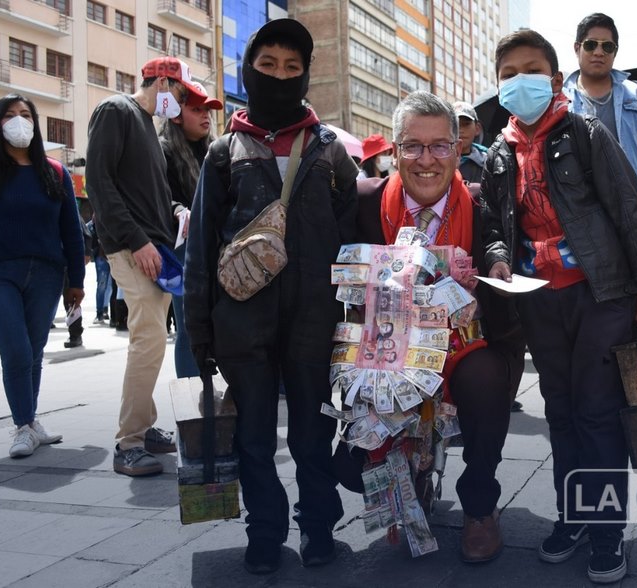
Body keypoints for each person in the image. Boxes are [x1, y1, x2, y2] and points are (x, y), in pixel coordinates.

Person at [482, 30, 637, 584]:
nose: (519, 81)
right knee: (559, 412)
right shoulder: (497, 154)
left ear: (555, 79)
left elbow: (629, 209)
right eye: (508, 73)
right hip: (538, 300)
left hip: (600, 292)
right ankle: (574, 516)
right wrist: (495, 258)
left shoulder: (586, 134)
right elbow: (495, 225)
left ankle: (606, 531)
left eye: (530, 69)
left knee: (596, 411)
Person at [183, 18, 359, 574]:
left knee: (312, 433)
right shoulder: (222, 152)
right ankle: (264, 531)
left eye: (292, 67)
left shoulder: (331, 152)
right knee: (254, 437)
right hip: (242, 323)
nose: (280, 76)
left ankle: (317, 528)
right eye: (268, 65)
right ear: (248, 70)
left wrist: (354, 319)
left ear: (306, 74)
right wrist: (199, 330)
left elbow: (352, 242)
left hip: (316, 321)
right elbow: (202, 248)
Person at [344, 91, 524, 563]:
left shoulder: (482, 204)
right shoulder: (363, 202)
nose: (427, 160)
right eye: (413, 146)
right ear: (395, 151)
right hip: (388, 347)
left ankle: (480, 507)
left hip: (460, 344)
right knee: (344, 457)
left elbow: (497, 246)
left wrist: (497, 266)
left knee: (487, 380)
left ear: (458, 150)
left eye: (440, 145)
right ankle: (408, 479)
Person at [86, 56, 204, 476]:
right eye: (180, 92)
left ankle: (145, 425)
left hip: (153, 246)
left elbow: (147, 192)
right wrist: (137, 241)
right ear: (161, 82)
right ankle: (129, 442)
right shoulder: (116, 111)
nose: (182, 101)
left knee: (151, 341)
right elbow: (99, 183)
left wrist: (175, 210)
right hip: (133, 248)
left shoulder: (148, 127)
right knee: (148, 341)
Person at [563, 13, 637, 370]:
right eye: (591, 44)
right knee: (597, 301)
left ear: (616, 51)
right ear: (577, 49)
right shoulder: (562, 99)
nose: (599, 52)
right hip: (585, 215)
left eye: (608, 46)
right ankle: (602, 373)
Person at [0, 94, 85, 458]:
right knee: (15, 349)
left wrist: (75, 281)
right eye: (10, 115)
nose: (19, 121)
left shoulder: (54, 172)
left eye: (25, 115)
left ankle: (30, 422)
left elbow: (71, 231)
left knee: (33, 351)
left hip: (47, 274)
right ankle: (23, 426)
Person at [159, 82, 224, 379]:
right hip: (182, 251)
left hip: (218, 249)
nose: (206, 116)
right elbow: (156, 198)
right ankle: (193, 411)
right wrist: (177, 210)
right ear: (175, 115)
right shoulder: (162, 151)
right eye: (196, 109)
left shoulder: (217, 152)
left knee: (222, 323)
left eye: (207, 109)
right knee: (188, 327)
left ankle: (221, 401)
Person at [453, 101, 488, 183]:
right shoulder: (438, 159)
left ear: (477, 128)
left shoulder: (488, 161)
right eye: (456, 125)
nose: (460, 130)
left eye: (466, 124)